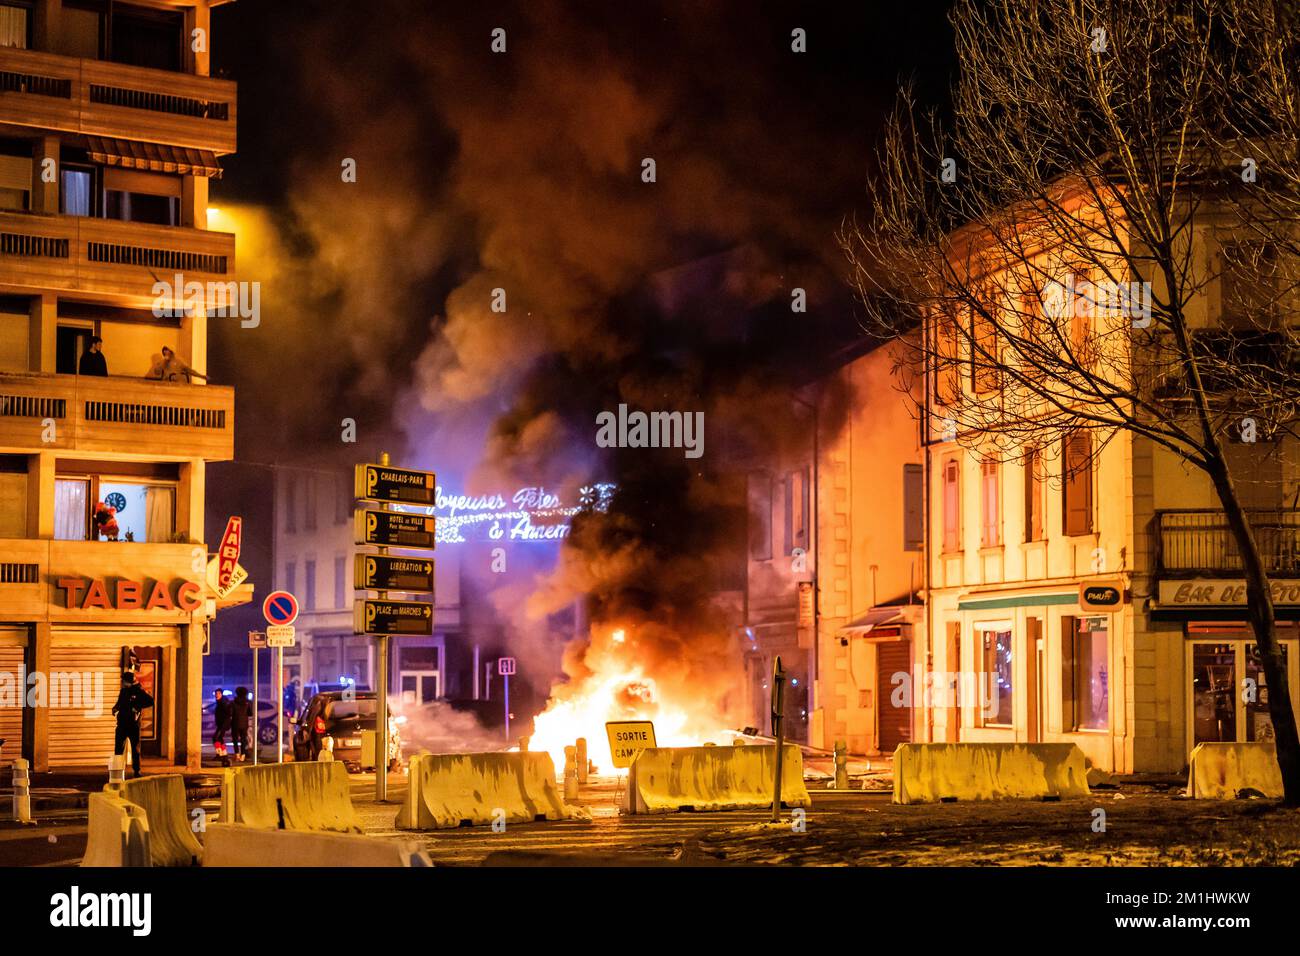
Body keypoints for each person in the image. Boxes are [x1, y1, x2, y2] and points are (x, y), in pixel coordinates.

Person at [111, 671, 153, 778]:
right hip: (122, 724)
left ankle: (137, 771)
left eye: (123, 680)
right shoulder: (123, 691)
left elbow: (150, 701)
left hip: (133, 726)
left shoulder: (138, 691)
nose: (122, 682)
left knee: (135, 749)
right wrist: (115, 708)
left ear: (128, 681)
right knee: (118, 749)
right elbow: (120, 703)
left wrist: (137, 706)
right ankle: (118, 771)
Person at [230, 686, 251, 762]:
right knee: (243, 739)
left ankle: (237, 754)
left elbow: (230, 712)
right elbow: (250, 713)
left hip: (235, 723)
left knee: (235, 739)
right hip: (244, 723)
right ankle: (243, 755)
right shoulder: (247, 702)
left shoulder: (233, 702)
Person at [212, 688, 231, 766]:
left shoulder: (223, 702)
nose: (217, 695)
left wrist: (224, 724)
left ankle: (220, 754)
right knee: (219, 738)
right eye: (216, 694)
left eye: (218, 694)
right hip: (221, 724)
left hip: (223, 724)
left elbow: (228, 714)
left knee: (216, 738)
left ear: (221, 694)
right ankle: (224, 754)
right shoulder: (220, 702)